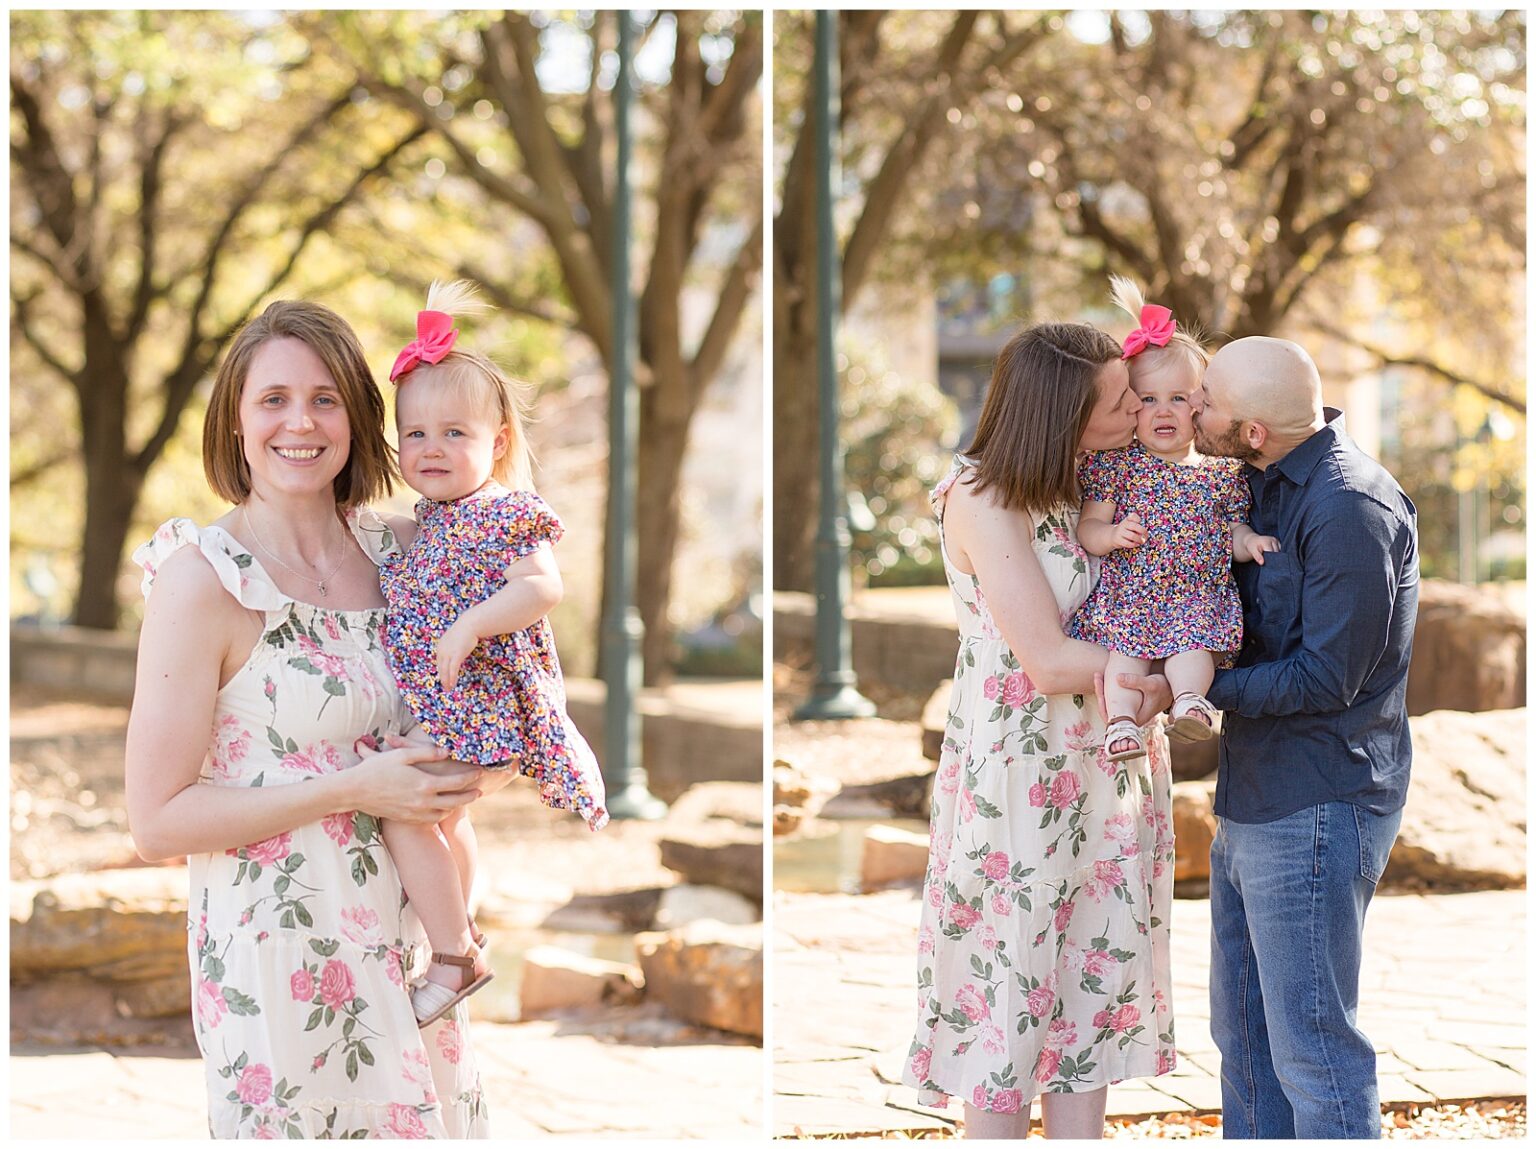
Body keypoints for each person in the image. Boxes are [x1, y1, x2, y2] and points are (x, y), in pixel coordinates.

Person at [126, 299, 506, 1138]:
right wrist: (351, 789)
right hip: (280, 964)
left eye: (326, 398)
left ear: (360, 419)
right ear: (234, 419)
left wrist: (478, 761)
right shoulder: (203, 579)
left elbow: (503, 674)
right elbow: (156, 821)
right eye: (273, 399)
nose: (300, 421)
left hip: (416, 955)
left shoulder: (404, 553)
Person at [902, 322, 1178, 1140]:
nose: (1136, 407)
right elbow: (1051, 659)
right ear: (1060, 414)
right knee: (1012, 986)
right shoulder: (984, 497)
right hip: (1023, 771)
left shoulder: (1087, 485)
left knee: (1092, 985)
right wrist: (1159, 679)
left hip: (1109, 764)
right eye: (1119, 400)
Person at [1192, 336, 1419, 1139]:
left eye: (1207, 400)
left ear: (1252, 429)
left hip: (1319, 802)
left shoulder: (1348, 505)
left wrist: (1192, 689)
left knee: (1314, 1054)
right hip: (1254, 796)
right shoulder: (1251, 486)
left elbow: (1329, 679)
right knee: (1246, 1046)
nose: (1192, 411)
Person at [378, 281, 608, 1026]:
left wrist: (469, 626)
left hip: (485, 708)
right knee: (446, 822)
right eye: (415, 435)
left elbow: (543, 588)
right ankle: (463, 926)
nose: (432, 449)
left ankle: (455, 954)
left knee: (403, 814)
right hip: (458, 708)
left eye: (454, 433)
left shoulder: (505, 512)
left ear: (497, 442)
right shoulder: (433, 519)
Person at [1069, 278, 1279, 763]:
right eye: (1148, 399)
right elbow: (1088, 528)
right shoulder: (1117, 466)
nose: (1163, 410)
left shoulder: (1221, 474)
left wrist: (1249, 543)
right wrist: (1112, 535)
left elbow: (1230, 529)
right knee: (1125, 657)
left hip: (1195, 595)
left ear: (1199, 406)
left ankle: (1189, 703)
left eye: (1179, 399)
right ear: (1130, 406)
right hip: (1133, 595)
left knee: (1194, 650)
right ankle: (1120, 721)